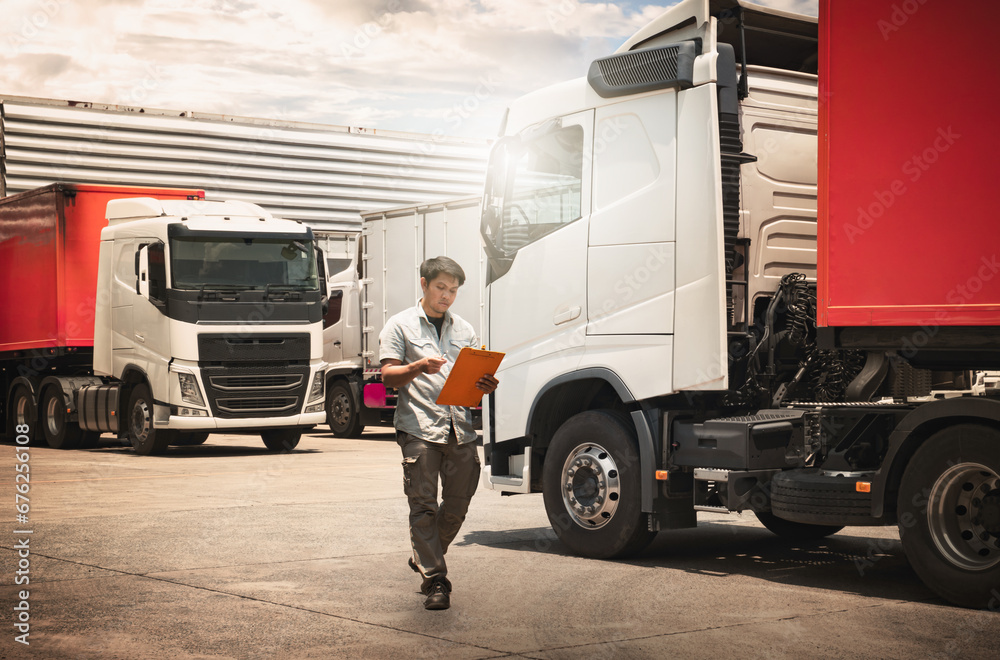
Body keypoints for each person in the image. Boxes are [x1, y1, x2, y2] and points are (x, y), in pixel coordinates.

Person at [379, 256, 499, 611]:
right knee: (424, 506)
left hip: (460, 427)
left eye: (453, 290)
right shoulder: (400, 325)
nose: (446, 295)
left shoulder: (464, 329)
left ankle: (423, 554)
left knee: (459, 504)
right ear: (424, 284)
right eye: (440, 287)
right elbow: (387, 376)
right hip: (419, 427)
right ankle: (435, 579)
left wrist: (485, 385)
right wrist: (417, 367)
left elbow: (471, 382)